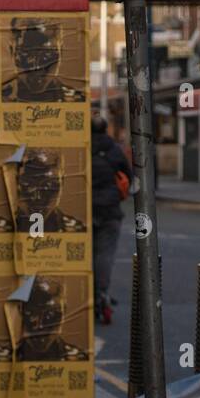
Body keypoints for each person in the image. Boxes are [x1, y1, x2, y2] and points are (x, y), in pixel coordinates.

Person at [90, 115, 131, 325]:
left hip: (84, 209)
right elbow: (129, 175)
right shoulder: (114, 149)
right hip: (110, 210)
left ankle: (87, 294)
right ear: (106, 129)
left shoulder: (80, 148)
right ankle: (102, 294)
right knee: (104, 255)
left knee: (85, 256)